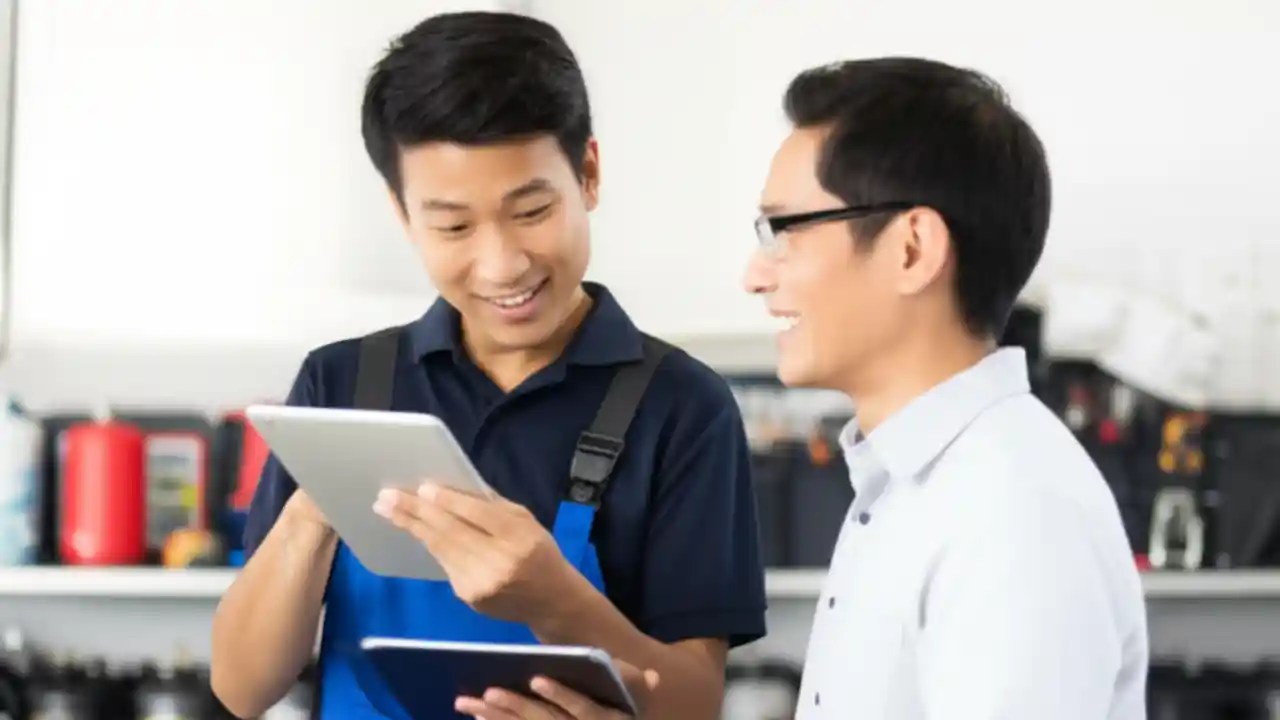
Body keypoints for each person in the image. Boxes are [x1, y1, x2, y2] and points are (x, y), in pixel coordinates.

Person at [209, 11, 767, 719]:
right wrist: (314, 508)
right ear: (403, 213)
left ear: (588, 174)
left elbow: (693, 705)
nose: (503, 264)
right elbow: (240, 686)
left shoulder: (683, 405)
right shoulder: (343, 384)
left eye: (531, 211)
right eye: (454, 226)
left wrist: (553, 601)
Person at [741, 58, 1149, 719]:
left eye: (782, 230)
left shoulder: (1013, 511)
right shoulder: (912, 484)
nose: (756, 276)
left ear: (912, 249)